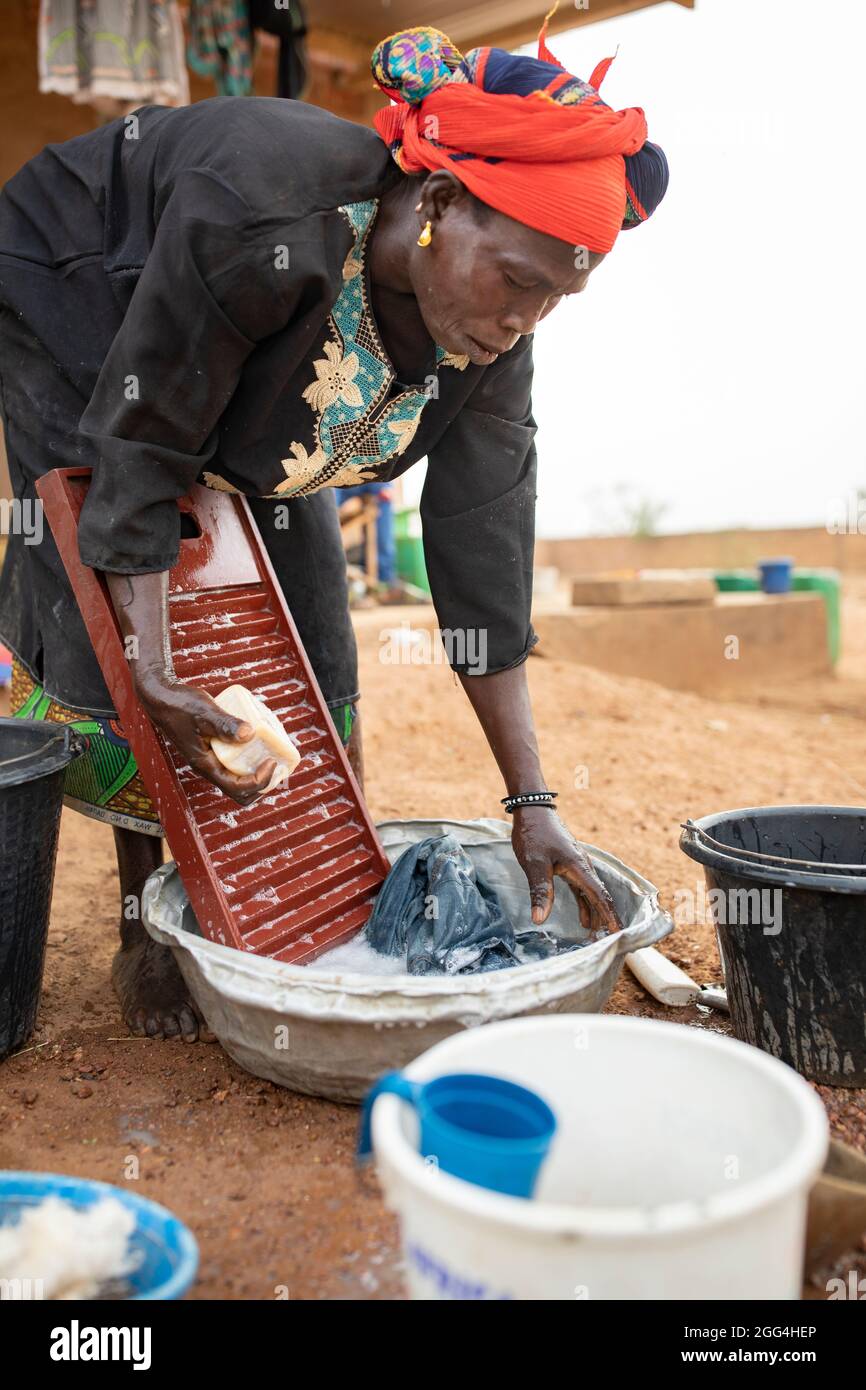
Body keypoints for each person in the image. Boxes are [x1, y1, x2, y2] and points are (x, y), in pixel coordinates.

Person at [0, 21, 668, 1039]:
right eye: (519, 280)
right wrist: (156, 660)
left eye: (555, 298)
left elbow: (481, 553)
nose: (525, 319)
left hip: (247, 371)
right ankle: (147, 921)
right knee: (127, 627)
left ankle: (287, 887)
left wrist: (530, 798)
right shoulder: (263, 215)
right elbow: (146, 442)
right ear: (439, 205)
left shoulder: (488, 343)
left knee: (307, 620)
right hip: (77, 288)